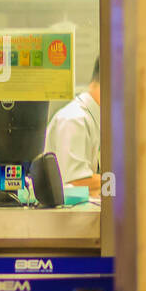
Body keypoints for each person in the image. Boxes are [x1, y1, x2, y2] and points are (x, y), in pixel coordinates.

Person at [44, 56, 102, 195]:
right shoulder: (74, 120)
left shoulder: (92, 117)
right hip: (64, 215)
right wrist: (121, 181)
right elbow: (77, 181)